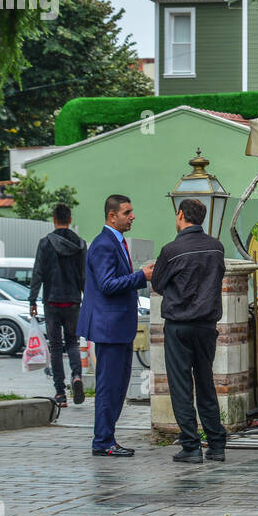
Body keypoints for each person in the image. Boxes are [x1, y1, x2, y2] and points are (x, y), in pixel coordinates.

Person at [150, 198, 227, 464]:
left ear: (180, 214)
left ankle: (191, 446)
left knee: (181, 386)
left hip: (179, 325)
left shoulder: (171, 250)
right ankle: (216, 444)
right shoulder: (216, 248)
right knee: (206, 382)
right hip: (206, 325)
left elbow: (158, 283)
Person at [79, 195, 153, 457]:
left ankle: (108, 437)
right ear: (112, 216)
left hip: (119, 327)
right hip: (108, 327)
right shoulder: (103, 245)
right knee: (109, 385)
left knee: (118, 385)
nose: (132, 216)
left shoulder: (116, 242)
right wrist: (140, 277)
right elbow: (107, 285)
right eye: (127, 212)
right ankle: (103, 441)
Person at [29, 202, 88, 408]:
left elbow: (38, 273)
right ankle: (77, 376)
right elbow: (84, 275)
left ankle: (60, 393)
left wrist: (32, 299)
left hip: (52, 301)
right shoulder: (80, 244)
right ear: (70, 220)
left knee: (55, 347)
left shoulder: (45, 243)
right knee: (72, 342)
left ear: (53, 220)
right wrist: (86, 298)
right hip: (73, 301)